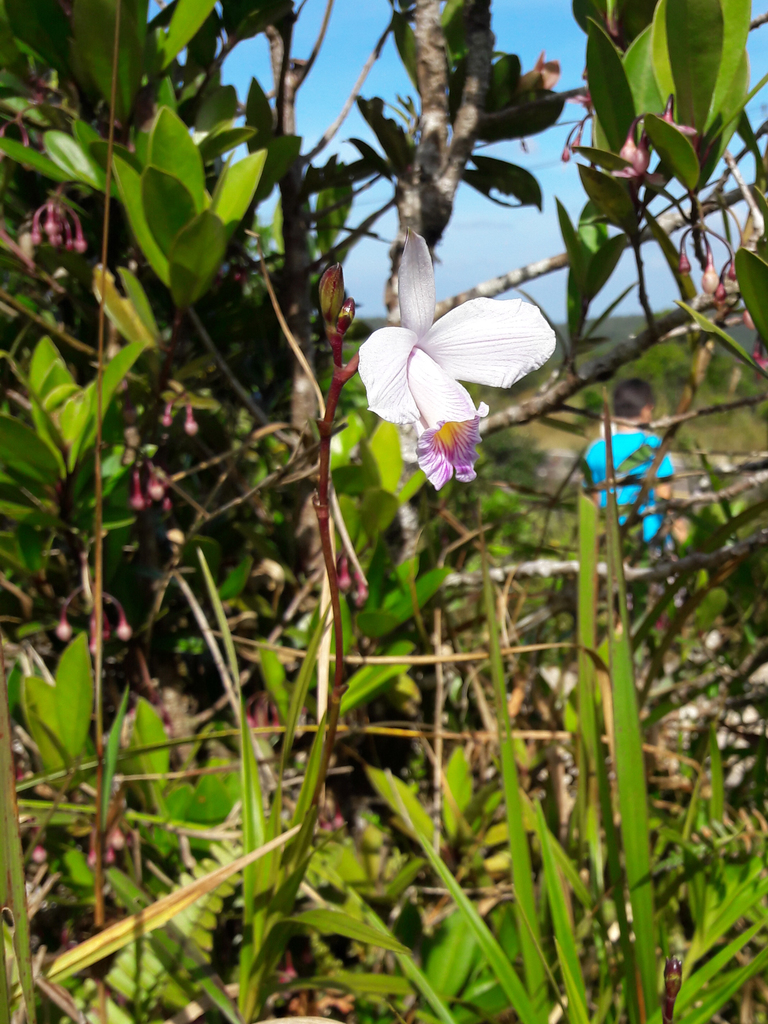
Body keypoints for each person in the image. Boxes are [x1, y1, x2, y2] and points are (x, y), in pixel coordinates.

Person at [584, 378, 674, 543]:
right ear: (647, 408)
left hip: (610, 542)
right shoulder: (653, 446)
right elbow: (664, 494)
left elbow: (590, 503)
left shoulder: (596, 449)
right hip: (649, 541)